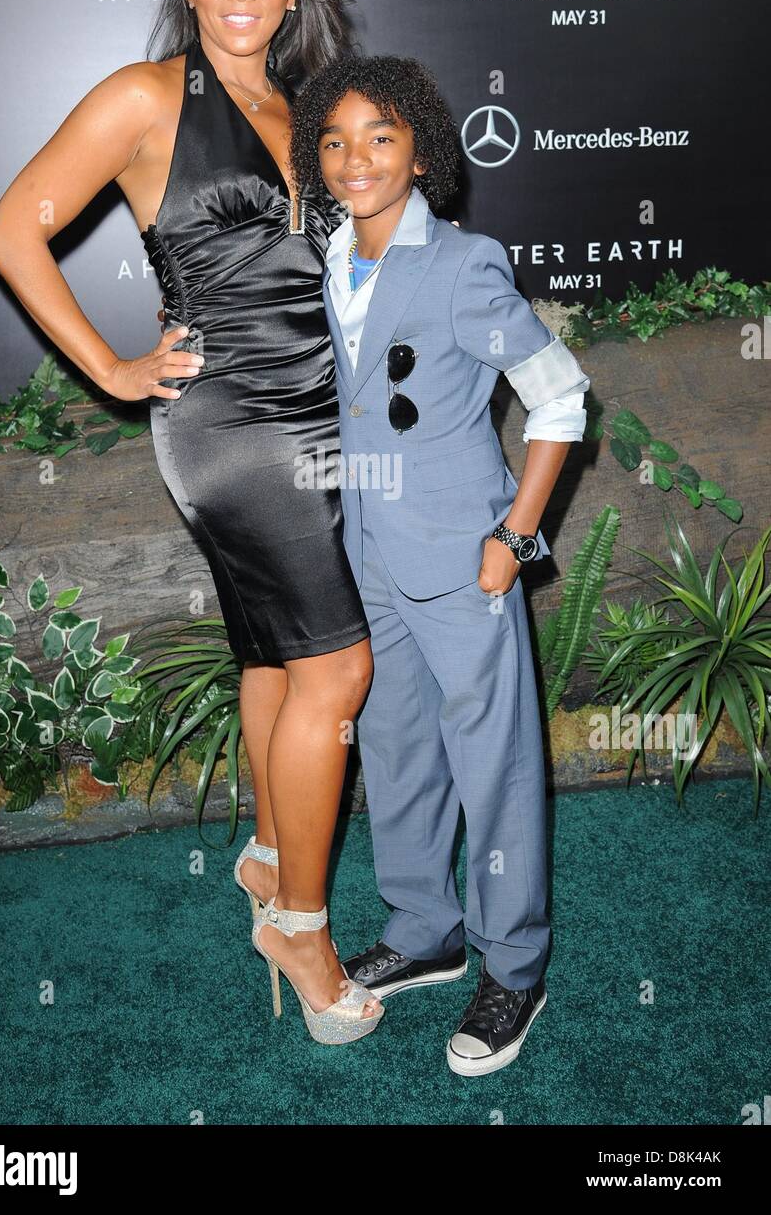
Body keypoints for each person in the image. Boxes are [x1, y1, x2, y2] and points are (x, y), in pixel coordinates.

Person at [0, 0, 384, 1046]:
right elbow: (14, 229)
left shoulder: (306, 105)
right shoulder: (144, 97)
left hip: (319, 410)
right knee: (338, 671)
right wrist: (109, 367)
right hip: (228, 422)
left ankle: (265, 854)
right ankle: (299, 925)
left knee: (278, 649)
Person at [288, 54, 591, 1073]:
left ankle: (514, 967)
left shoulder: (464, 263)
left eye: (379, 136)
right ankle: (423, 929)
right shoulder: (328, 256)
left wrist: (511, 537)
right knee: (395, 746)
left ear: (419, 149)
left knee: (492, 764)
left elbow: (557, 400)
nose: (354, 158)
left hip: (465, 558)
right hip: (362, 556)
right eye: (333, 140)